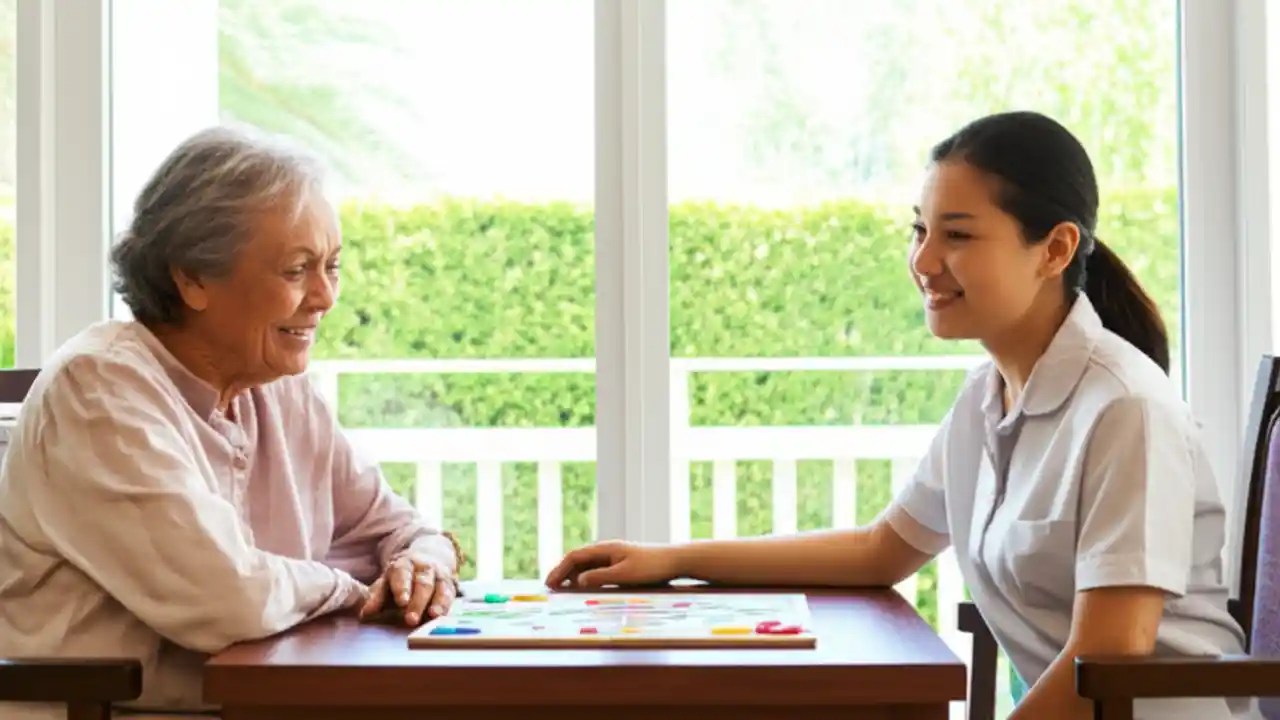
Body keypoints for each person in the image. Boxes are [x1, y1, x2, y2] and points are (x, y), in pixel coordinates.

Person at [546, 111, 1258, 720]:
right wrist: (672, 560)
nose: (923, 260)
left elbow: (1109, 654)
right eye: (920, 230)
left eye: (958, 235)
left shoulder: (1126, 409)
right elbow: (881, 550)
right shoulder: (986, 399)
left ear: (1056, 248)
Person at [0, 126, 462, 719]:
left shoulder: (282, 388)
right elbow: (229, 599)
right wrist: (346, 586)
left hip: (256, 707)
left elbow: (395, 530)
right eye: (297, 270)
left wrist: (423, 563)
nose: (324, 297)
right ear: (191, 277)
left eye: (332, 266)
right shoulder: (99, 390)